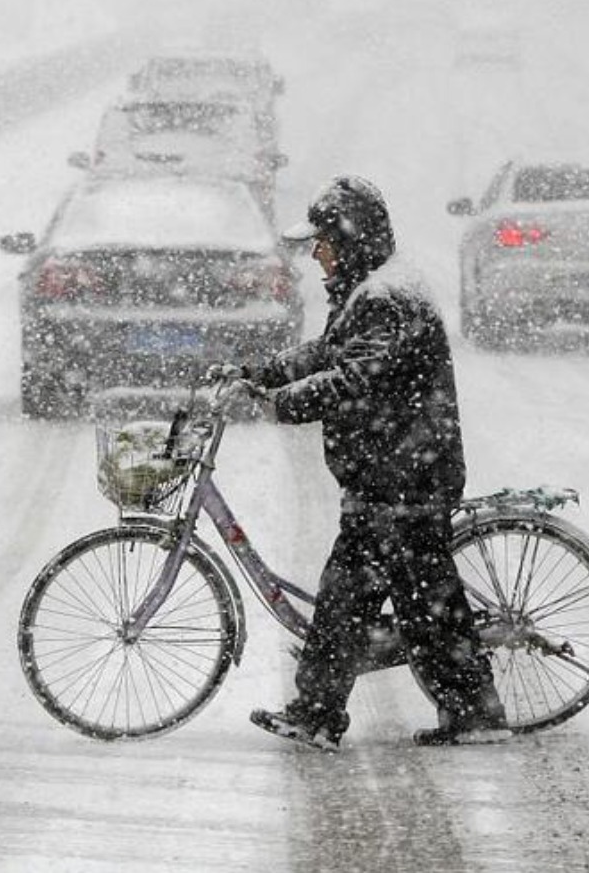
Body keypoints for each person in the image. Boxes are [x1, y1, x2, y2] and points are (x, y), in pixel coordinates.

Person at [216, 175, 508, 751]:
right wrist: (261, 372)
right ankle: (335, 711)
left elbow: (353, 379)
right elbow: (330, 353)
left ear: (352, 241)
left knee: (382, 602)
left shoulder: (385, 299)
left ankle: (336, 712)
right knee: (392, 602)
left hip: (406, 478)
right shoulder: (371, 291)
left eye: (323, 242)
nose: (316, 255)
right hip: (392, 475)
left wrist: (277, 404)